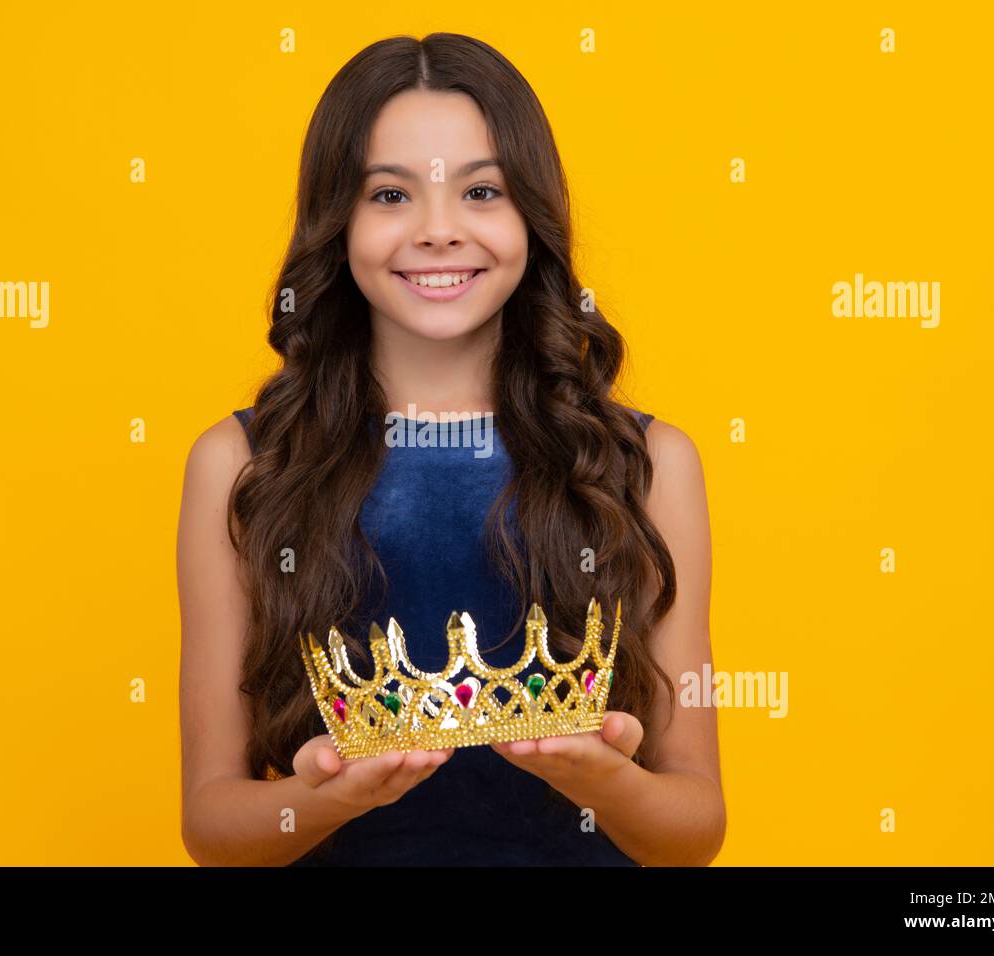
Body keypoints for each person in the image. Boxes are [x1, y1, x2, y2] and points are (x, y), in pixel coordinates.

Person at [177, 32, 724, 866]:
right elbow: (215, 829)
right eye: (390, 196)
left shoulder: (649, 467)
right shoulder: (241, 466)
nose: (438, 231)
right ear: (338, 220)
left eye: (481, 191)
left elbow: (693, 831)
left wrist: (601, 779)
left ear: (531, 218)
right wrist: (325, 797)